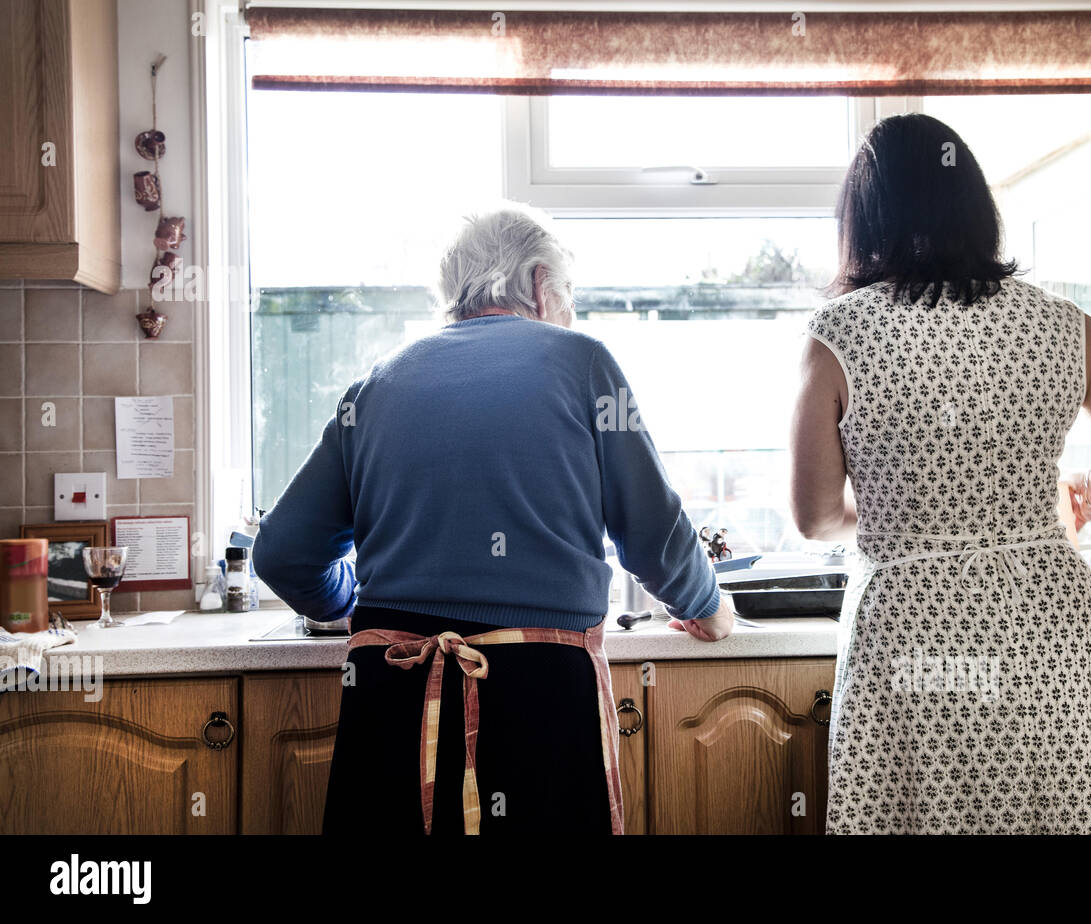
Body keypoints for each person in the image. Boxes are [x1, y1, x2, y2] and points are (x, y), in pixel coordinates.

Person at [253, 204, 733, 835]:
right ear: (540, 284)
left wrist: (350, 604)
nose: (569, 312)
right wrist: (706, 604)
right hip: (537, 696)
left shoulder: (375, 384)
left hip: (391, 692)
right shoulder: (583, 362)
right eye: (568, 295)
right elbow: (652, 533)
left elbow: (283, 553)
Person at [789, 114, 1091, 834]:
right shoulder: (1063, 325)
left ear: (864, 222)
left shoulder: (840, 335)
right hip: (1046, 623)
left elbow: (816, 518)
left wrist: (906, 519)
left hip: (912, 627)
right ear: (977, 208)